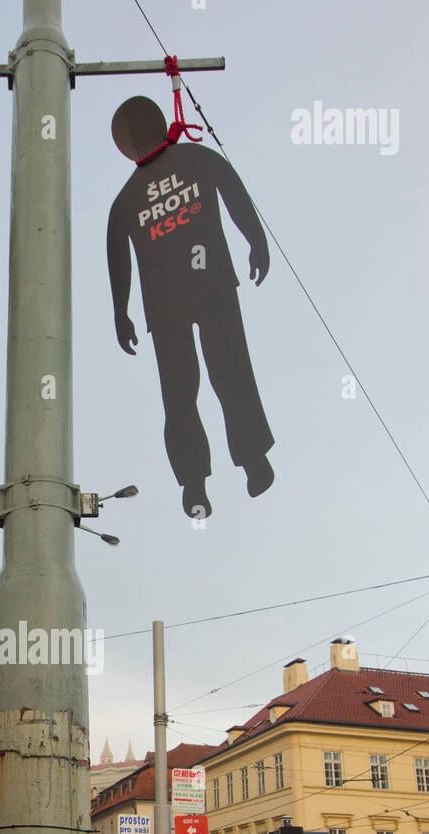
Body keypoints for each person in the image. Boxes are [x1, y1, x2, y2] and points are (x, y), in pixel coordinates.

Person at [107, 96, 274, 521]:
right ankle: (247, 459)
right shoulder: (195, 158)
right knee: (225, 374)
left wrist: (121, 312)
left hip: (172, 303)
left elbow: (116, 260)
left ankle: (202, 479)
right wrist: (255, 240)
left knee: (183, 392)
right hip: (207, 287)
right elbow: (235, 193)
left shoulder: (125, 200)